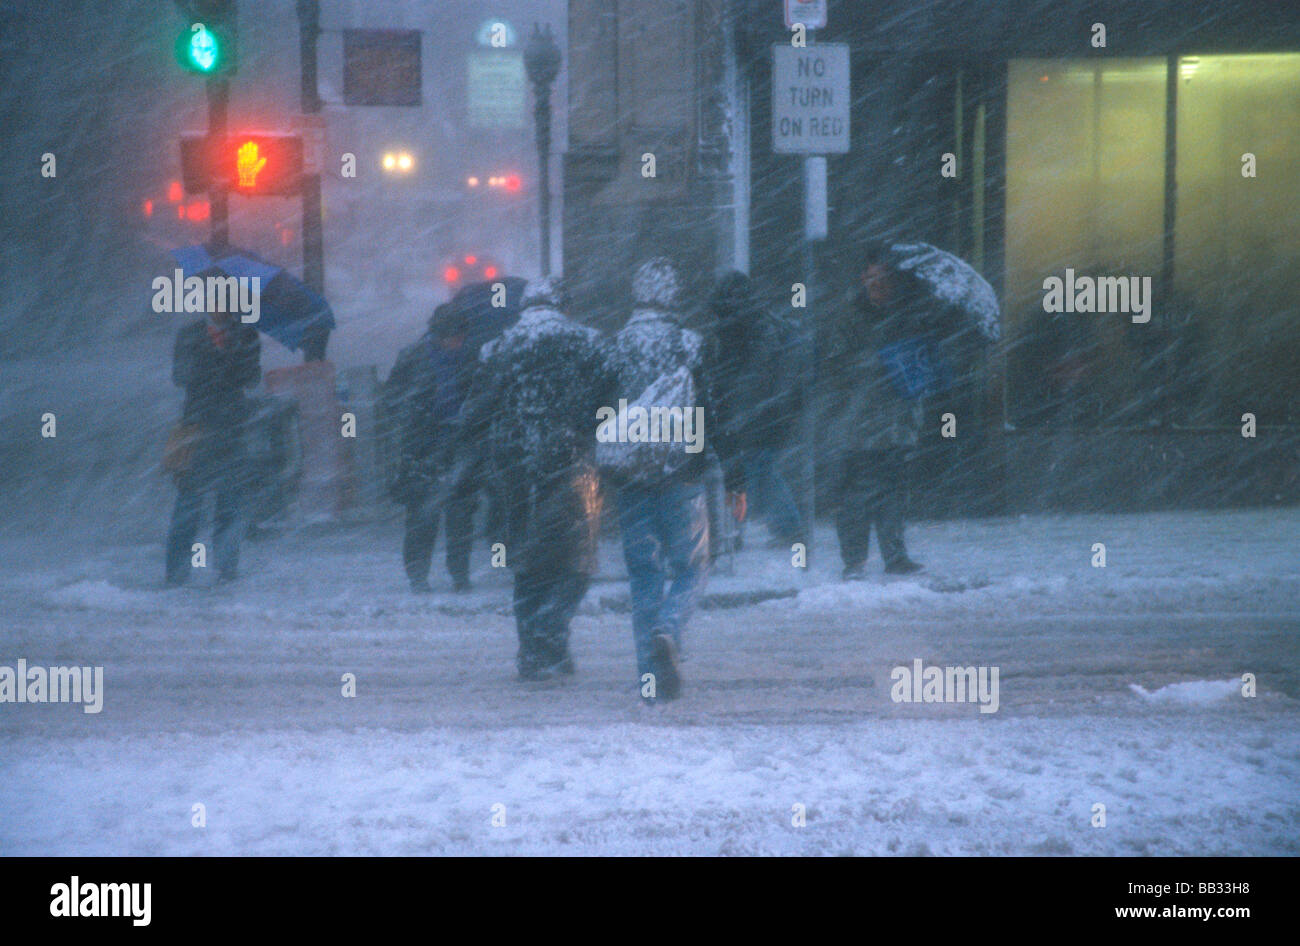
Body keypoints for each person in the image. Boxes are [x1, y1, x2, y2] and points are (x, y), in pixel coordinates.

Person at [601, 258, 744, 701]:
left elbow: (600, 412)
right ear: (673, 295)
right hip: (681, 474)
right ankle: (669, 628)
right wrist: (730, 473)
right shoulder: (691, 344)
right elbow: (712, 413)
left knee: (644, 574)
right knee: (693, 565)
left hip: (630, 478)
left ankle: (650, 678)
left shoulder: (615, 346)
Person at [454, 277, 606, 681]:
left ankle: (532, 651)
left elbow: (473, 414)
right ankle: (551, 634)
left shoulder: (499, 348)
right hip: (573, 466)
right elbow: (607, 404)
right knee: (578, 561)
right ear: (564, 306)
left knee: (526, 562)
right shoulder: (587, 342)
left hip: (515, 471)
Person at [832, 247, 926, 580]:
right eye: (872, 278)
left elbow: (920, 358)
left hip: (899, 420)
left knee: (895, 493)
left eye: (884, 278)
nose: (878, 285)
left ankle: (895, 556)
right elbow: (839, 365)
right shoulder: (849, 315)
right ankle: (854, 561)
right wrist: (880, 360)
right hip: (861, 422)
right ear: (863, 278)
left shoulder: (907, 313)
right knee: (858, 495)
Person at [704, 270, 803, 548]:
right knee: (754, 471)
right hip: (764, 414)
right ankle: (767, 529)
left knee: (755, 471)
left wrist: (735, 411)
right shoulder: (756, 324)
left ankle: (781, 529)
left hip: (757, 416)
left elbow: (753, 376)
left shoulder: (750, 328)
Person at [164, 308, 261, 585]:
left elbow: (252, 377)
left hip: (231, 429)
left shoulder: (245, 334)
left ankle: (226, 570)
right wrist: (217, 366)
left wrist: (229, 357)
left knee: (229, 504)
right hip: (197, 428)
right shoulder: (190, 334)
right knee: (189, 505)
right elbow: (180, 376)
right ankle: (177, 573)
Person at [389, 304, 477, 593]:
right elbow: (394, 400)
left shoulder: (466, 358)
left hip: (455, 440)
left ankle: (459, 574)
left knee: (460, 515)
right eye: (456, 337)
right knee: (422, 515)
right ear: (442, 334)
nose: (459, 343)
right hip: (424, 444)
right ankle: (418, 575)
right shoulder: (415, 357)